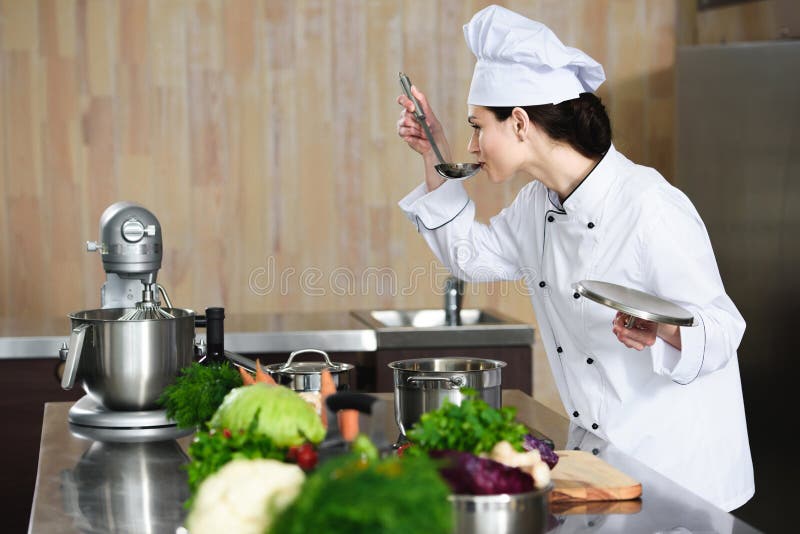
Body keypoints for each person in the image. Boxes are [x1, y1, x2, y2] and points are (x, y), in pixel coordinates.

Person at [395, 4, 753, 511]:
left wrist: (665, 328)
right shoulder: (538, 203)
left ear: (519, 123)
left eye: (478, 128)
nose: (473, 145)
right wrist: (434, 153)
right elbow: (471, 258)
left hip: (682, 477)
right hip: (603, 463)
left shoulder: (648, 206)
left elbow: (723, 329)